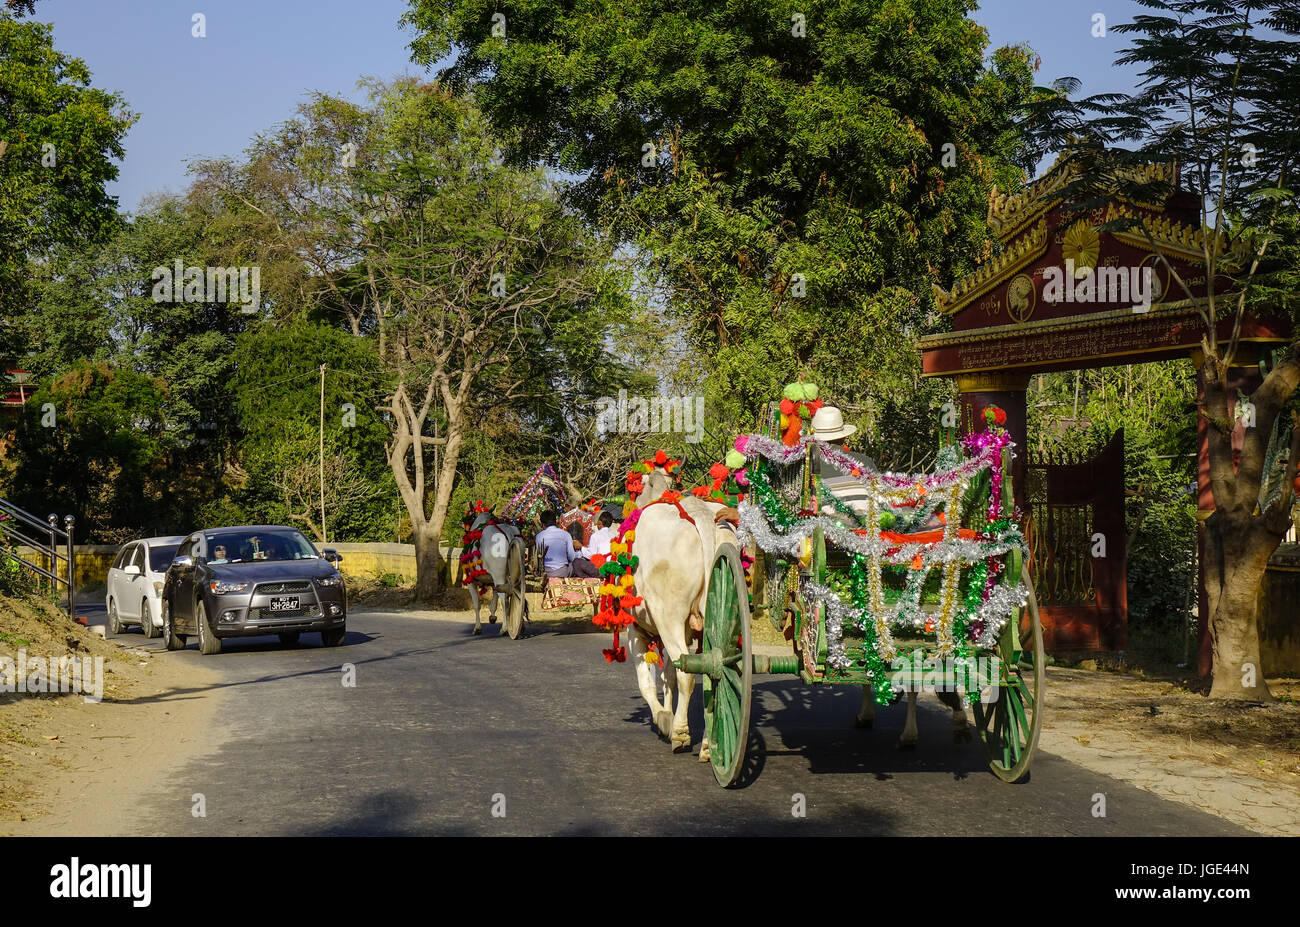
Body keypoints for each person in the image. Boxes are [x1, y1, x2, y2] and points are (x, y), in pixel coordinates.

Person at [571, 512, 616, 578]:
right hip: (613, 569)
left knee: (576, 562)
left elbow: (591, 556)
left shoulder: (595, 536)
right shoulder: (614, 536)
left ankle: (588, 579)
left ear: (599, 523)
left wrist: (581, 547)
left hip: (602, 569)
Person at [534, 510, 576, 579]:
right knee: (575, 564)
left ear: (543, 524)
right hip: (562, 572)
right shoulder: (566, 534)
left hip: (545, 572)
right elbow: (572, 557)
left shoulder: (539, 536)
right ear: (555, 522)